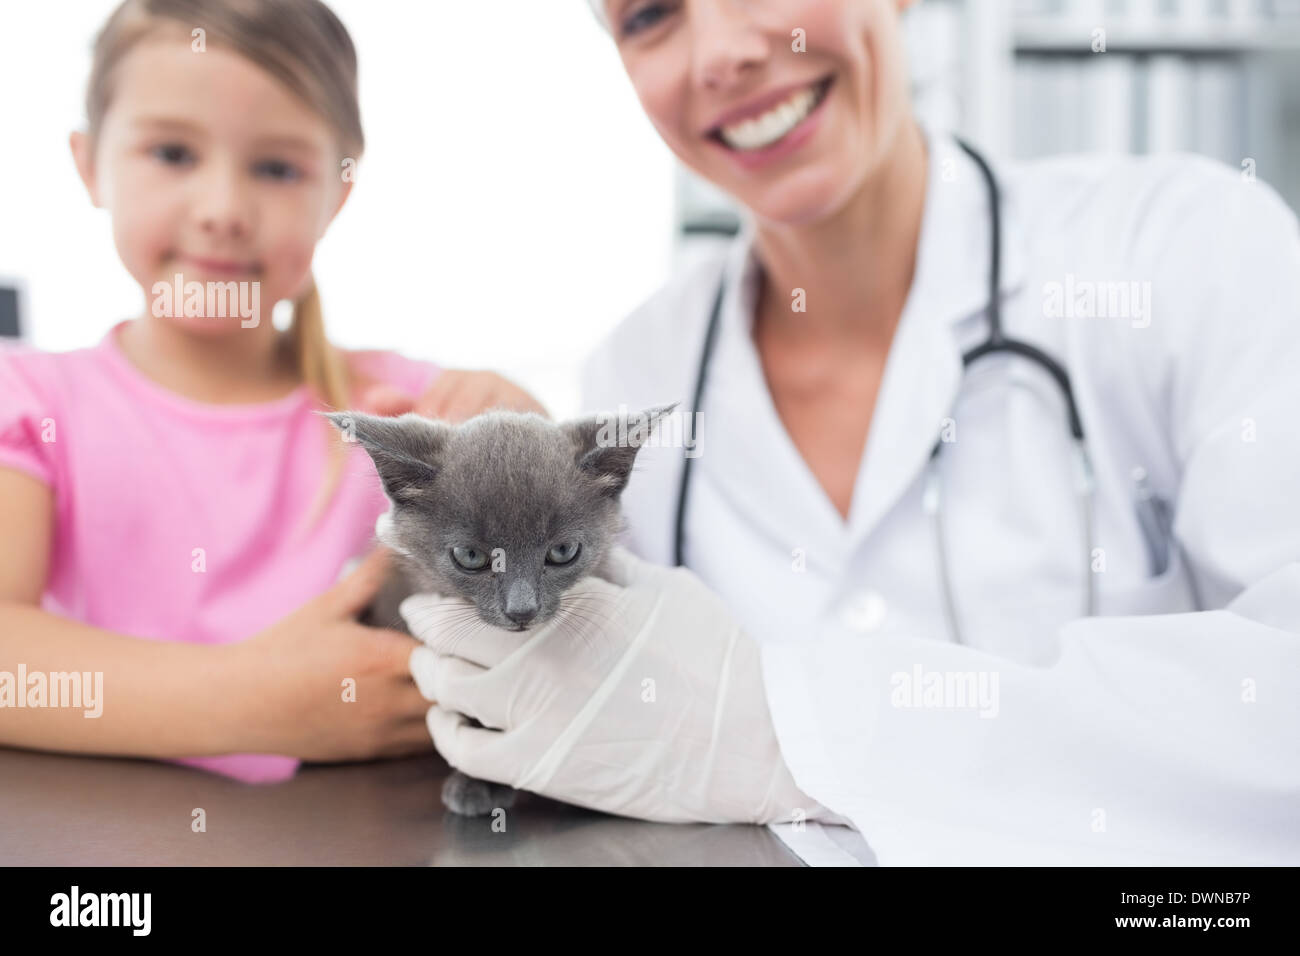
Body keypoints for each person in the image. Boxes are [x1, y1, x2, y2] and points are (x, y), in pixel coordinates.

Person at [403, 0, 1300, 864]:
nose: (723, 50)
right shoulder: (639, 377)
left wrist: (784, 730)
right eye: (649, 14)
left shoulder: (1186, 251)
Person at [0, 0, 542, 783]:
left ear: (340, 193)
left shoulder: (408, 411)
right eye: (173, 153)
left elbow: (566, 589)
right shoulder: (31, 401)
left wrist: (525, 435)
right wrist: (254, 701)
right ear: (89, 165)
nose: (223, 211)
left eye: (278, 168)